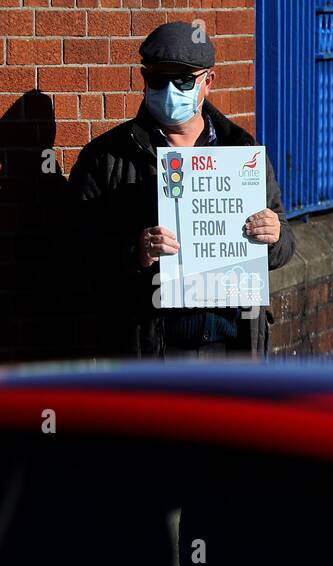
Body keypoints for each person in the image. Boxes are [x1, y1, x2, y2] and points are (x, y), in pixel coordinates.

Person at [68, 22, 294, 357]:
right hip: (153, 352)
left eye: (184, 80)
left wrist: (275, 235)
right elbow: (76, 254)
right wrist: (136, 251)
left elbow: (284, 243)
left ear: (208, 82)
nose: (170, 90)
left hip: (231, 349)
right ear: (144, 79)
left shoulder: (241, 151)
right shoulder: (106, 158)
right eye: (158, 79)